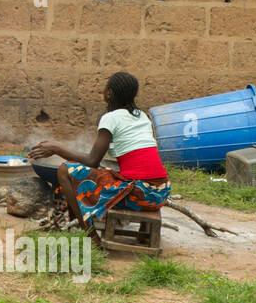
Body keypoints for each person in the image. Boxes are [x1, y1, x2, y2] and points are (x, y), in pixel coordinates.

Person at [27, 71, 170, 244]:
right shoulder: (143, 117)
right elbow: (130, 154)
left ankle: (88, 233)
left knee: (64, 170)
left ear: (109, 92)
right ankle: (142, 232)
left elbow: (92, 161)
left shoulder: (110, 118)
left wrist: (57, 148)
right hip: (160, 193)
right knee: (107, 172)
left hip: (139, 195)